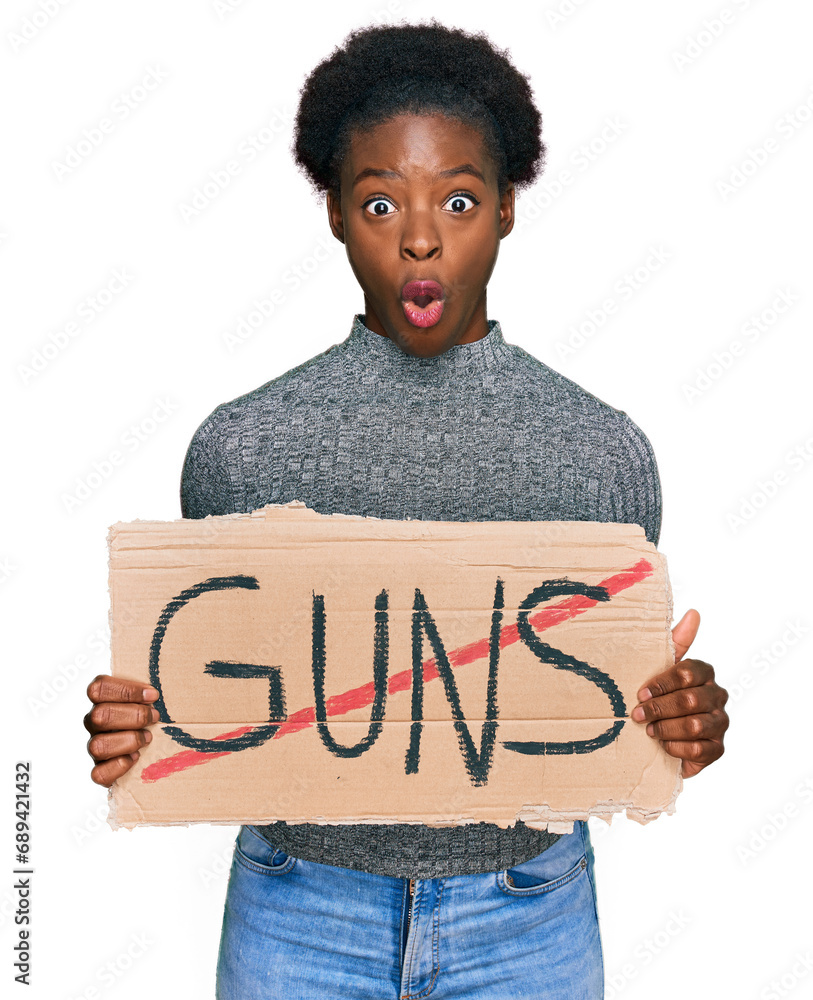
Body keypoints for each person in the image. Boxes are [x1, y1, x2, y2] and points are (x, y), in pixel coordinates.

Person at [83, 21, 729, 999]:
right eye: (381, 202)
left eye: (457, 200)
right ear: (336, 214)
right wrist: (145, 722)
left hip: (525, 911)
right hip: (299, 907)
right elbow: (226, 699)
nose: (419, 237)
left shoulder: (599, 457)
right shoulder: (241, 451)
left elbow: (605, 709)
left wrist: (676, 722)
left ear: (505, 207)